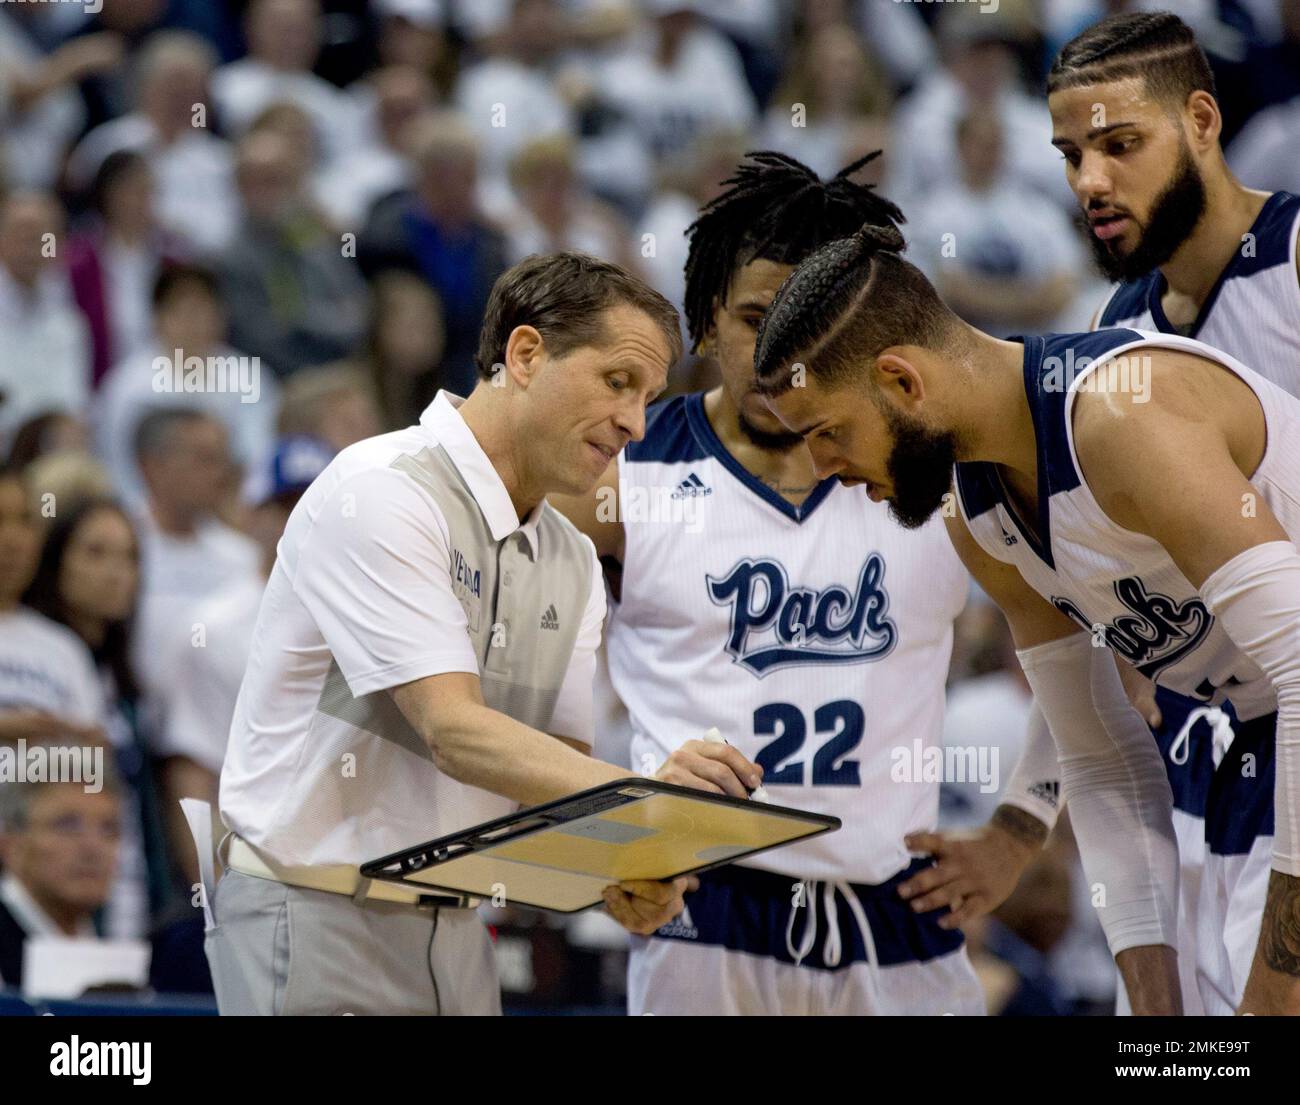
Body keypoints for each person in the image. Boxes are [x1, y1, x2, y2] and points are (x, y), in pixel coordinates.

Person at [750, 221, 1300, 1015]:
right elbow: (1103, 756)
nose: (825, 470)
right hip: (1233, 756)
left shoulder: (1121, 418)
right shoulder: (975, 515)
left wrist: (1277, 990)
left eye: (829, 433)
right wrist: (1155, 1014)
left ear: (903, 382)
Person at [207, 252, 763, 1015]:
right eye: (617, 382)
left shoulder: (570, 556)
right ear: (526, 354)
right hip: (316, 910)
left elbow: (548, 782)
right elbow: (454, 730)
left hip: (464, 930)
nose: (636, 422)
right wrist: (649, 800)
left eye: (650, 398)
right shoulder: (382, 488)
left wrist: (623, 867)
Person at [922, 10, 1300, 1016]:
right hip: (1219, 760)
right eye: (1070, 153)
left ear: (1204, 122)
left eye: (1120, 144)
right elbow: (1105, 626)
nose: (1088, 180)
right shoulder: (1111, 336)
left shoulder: (1296, 259)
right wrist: (1018, 821)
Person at [551, 151, 986, 1015]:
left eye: (805, 321)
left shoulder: (947, 477)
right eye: (755, 318)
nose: (778, 354)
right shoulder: (623, 476)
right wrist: (597, 831)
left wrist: (1021, 828)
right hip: (703, 906)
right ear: (707, 321)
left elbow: (1083, 644)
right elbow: (511, 666)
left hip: (896, 917)